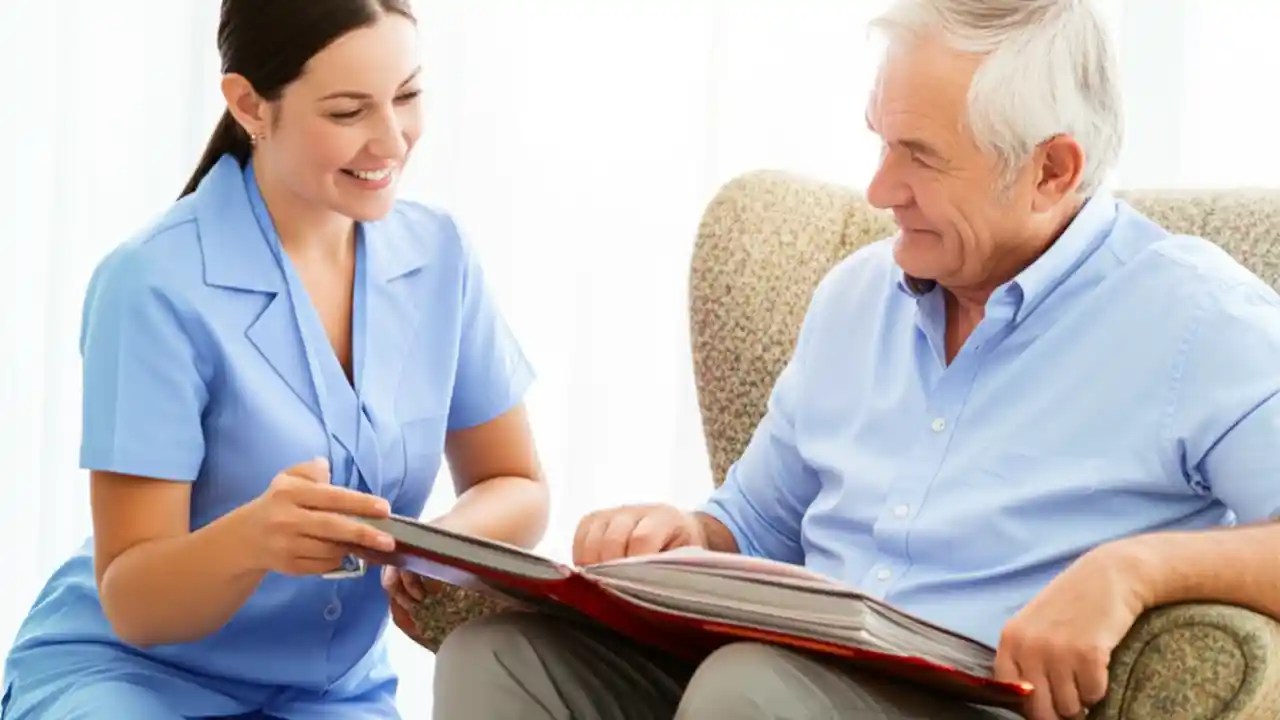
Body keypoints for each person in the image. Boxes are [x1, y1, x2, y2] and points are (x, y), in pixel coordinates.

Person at [432, 1, 1280, 719]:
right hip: (781, 676)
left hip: (967, 699)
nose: (878, 190)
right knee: (498, 655)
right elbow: (754, 524)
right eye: (881, 142)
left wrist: (1136, 568)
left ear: (1052, 169)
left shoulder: (1192, 317)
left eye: (921, 155)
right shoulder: (855, 296)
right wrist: (679, 535)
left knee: (747, 689)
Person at [0, 1, 548, 718]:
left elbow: (516, 482)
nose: (392, 141)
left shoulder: (440, 256)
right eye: (349, 112)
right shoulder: (153, 284)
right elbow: (133, 599)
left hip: (331, 694)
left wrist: (442, 547)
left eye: (407, 97)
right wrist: (252, 541)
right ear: (250, 104)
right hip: (131, 679)